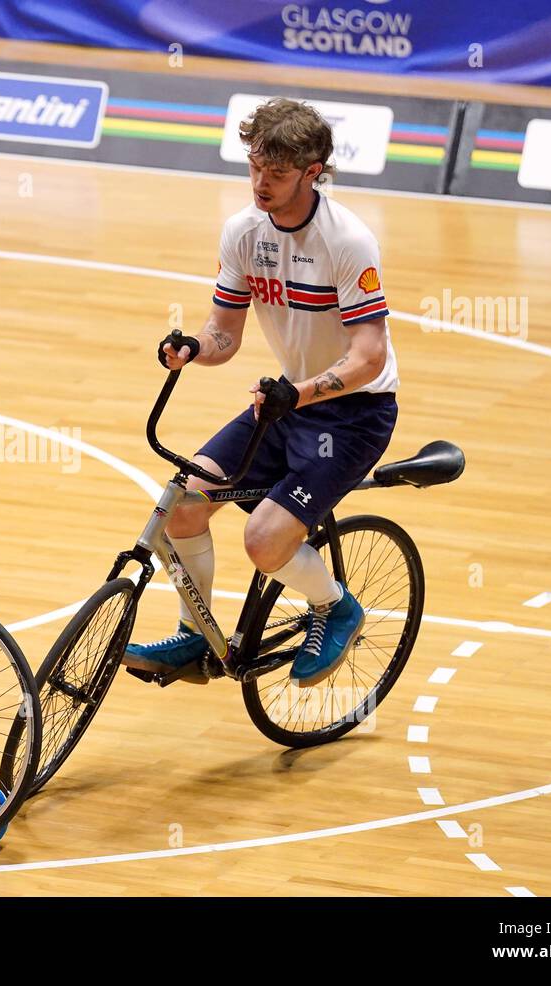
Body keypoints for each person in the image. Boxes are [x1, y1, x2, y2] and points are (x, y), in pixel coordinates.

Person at [124, 97, 399, 687]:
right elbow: (224, 333)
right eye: (254, 168)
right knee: (184, 503)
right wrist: (193, 349)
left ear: (312, 171)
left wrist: (297, 394)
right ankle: (196, 636)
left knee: (263, 538)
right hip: (282, 404)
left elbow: (369, 358)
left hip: (353, 417)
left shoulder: (347, 241)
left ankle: (335, 605)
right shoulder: (244, 233)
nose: (260, 183)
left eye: (276, 173)